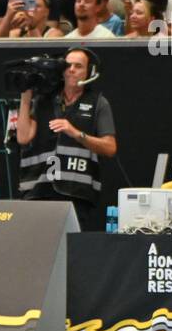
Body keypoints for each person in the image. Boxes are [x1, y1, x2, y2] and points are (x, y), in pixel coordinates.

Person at [15, 47, 117, 231]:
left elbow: (110, 148)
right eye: (68, 65)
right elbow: (23, 137)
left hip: (76, 193)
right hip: (37, 190)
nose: (71, 69)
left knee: (71, 250)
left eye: (78, 66)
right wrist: (25, 98)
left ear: (89, 72)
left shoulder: (98, 102)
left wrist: (77, 133)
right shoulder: (42, 100)